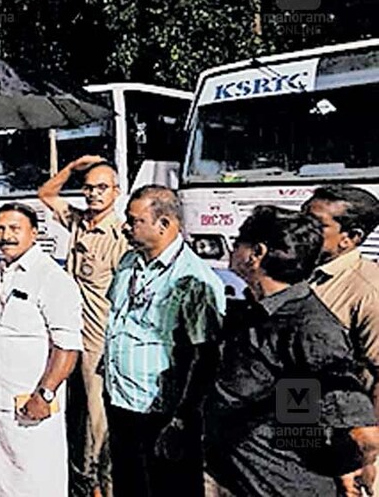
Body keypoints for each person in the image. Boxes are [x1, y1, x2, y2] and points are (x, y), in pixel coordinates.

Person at [204, 205, 379, 497]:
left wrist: (348, 465)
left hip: (282, 487)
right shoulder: (258, 313)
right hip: (238, 478)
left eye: (237, 242)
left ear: (256, 253)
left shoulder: (308, 327)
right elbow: (297, 408)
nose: (232, 249)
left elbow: (364, 435)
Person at [103, 185, 224, 497]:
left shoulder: (194, 279)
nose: (125, 227)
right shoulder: (130, 262)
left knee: (170, 487)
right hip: (121, 401)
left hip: (162, 411)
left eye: (134, 221)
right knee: (129, 484)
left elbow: (206, 356)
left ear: (165, 224)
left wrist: (183, 419)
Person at [0, 203, 84, 496]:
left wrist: (44, 395)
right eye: (1, 229)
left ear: (34, 233)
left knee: (37, 476)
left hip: (29, 400)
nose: (6, 236)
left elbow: (67, 347)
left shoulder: (52, 279)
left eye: (14, 229)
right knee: (5, 478)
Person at [39, 155, 129, 497]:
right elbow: (47, 194)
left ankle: (97, 485)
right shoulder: (77, 222)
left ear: (116, 192)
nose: (93, 194)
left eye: (101, 188)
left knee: (96, 419)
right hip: (66, 334)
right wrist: (73, 166)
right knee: (69, 411)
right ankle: (75, 478)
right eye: (88, 188)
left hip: (97, 337)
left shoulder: (120, 235)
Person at [301, 185, 379, 492]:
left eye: (315, 224)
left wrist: (366, 458)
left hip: (345, 444)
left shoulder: (367, 291)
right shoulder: (298, 275)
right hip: (300, 427)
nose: (300, 230)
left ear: (351, 237)